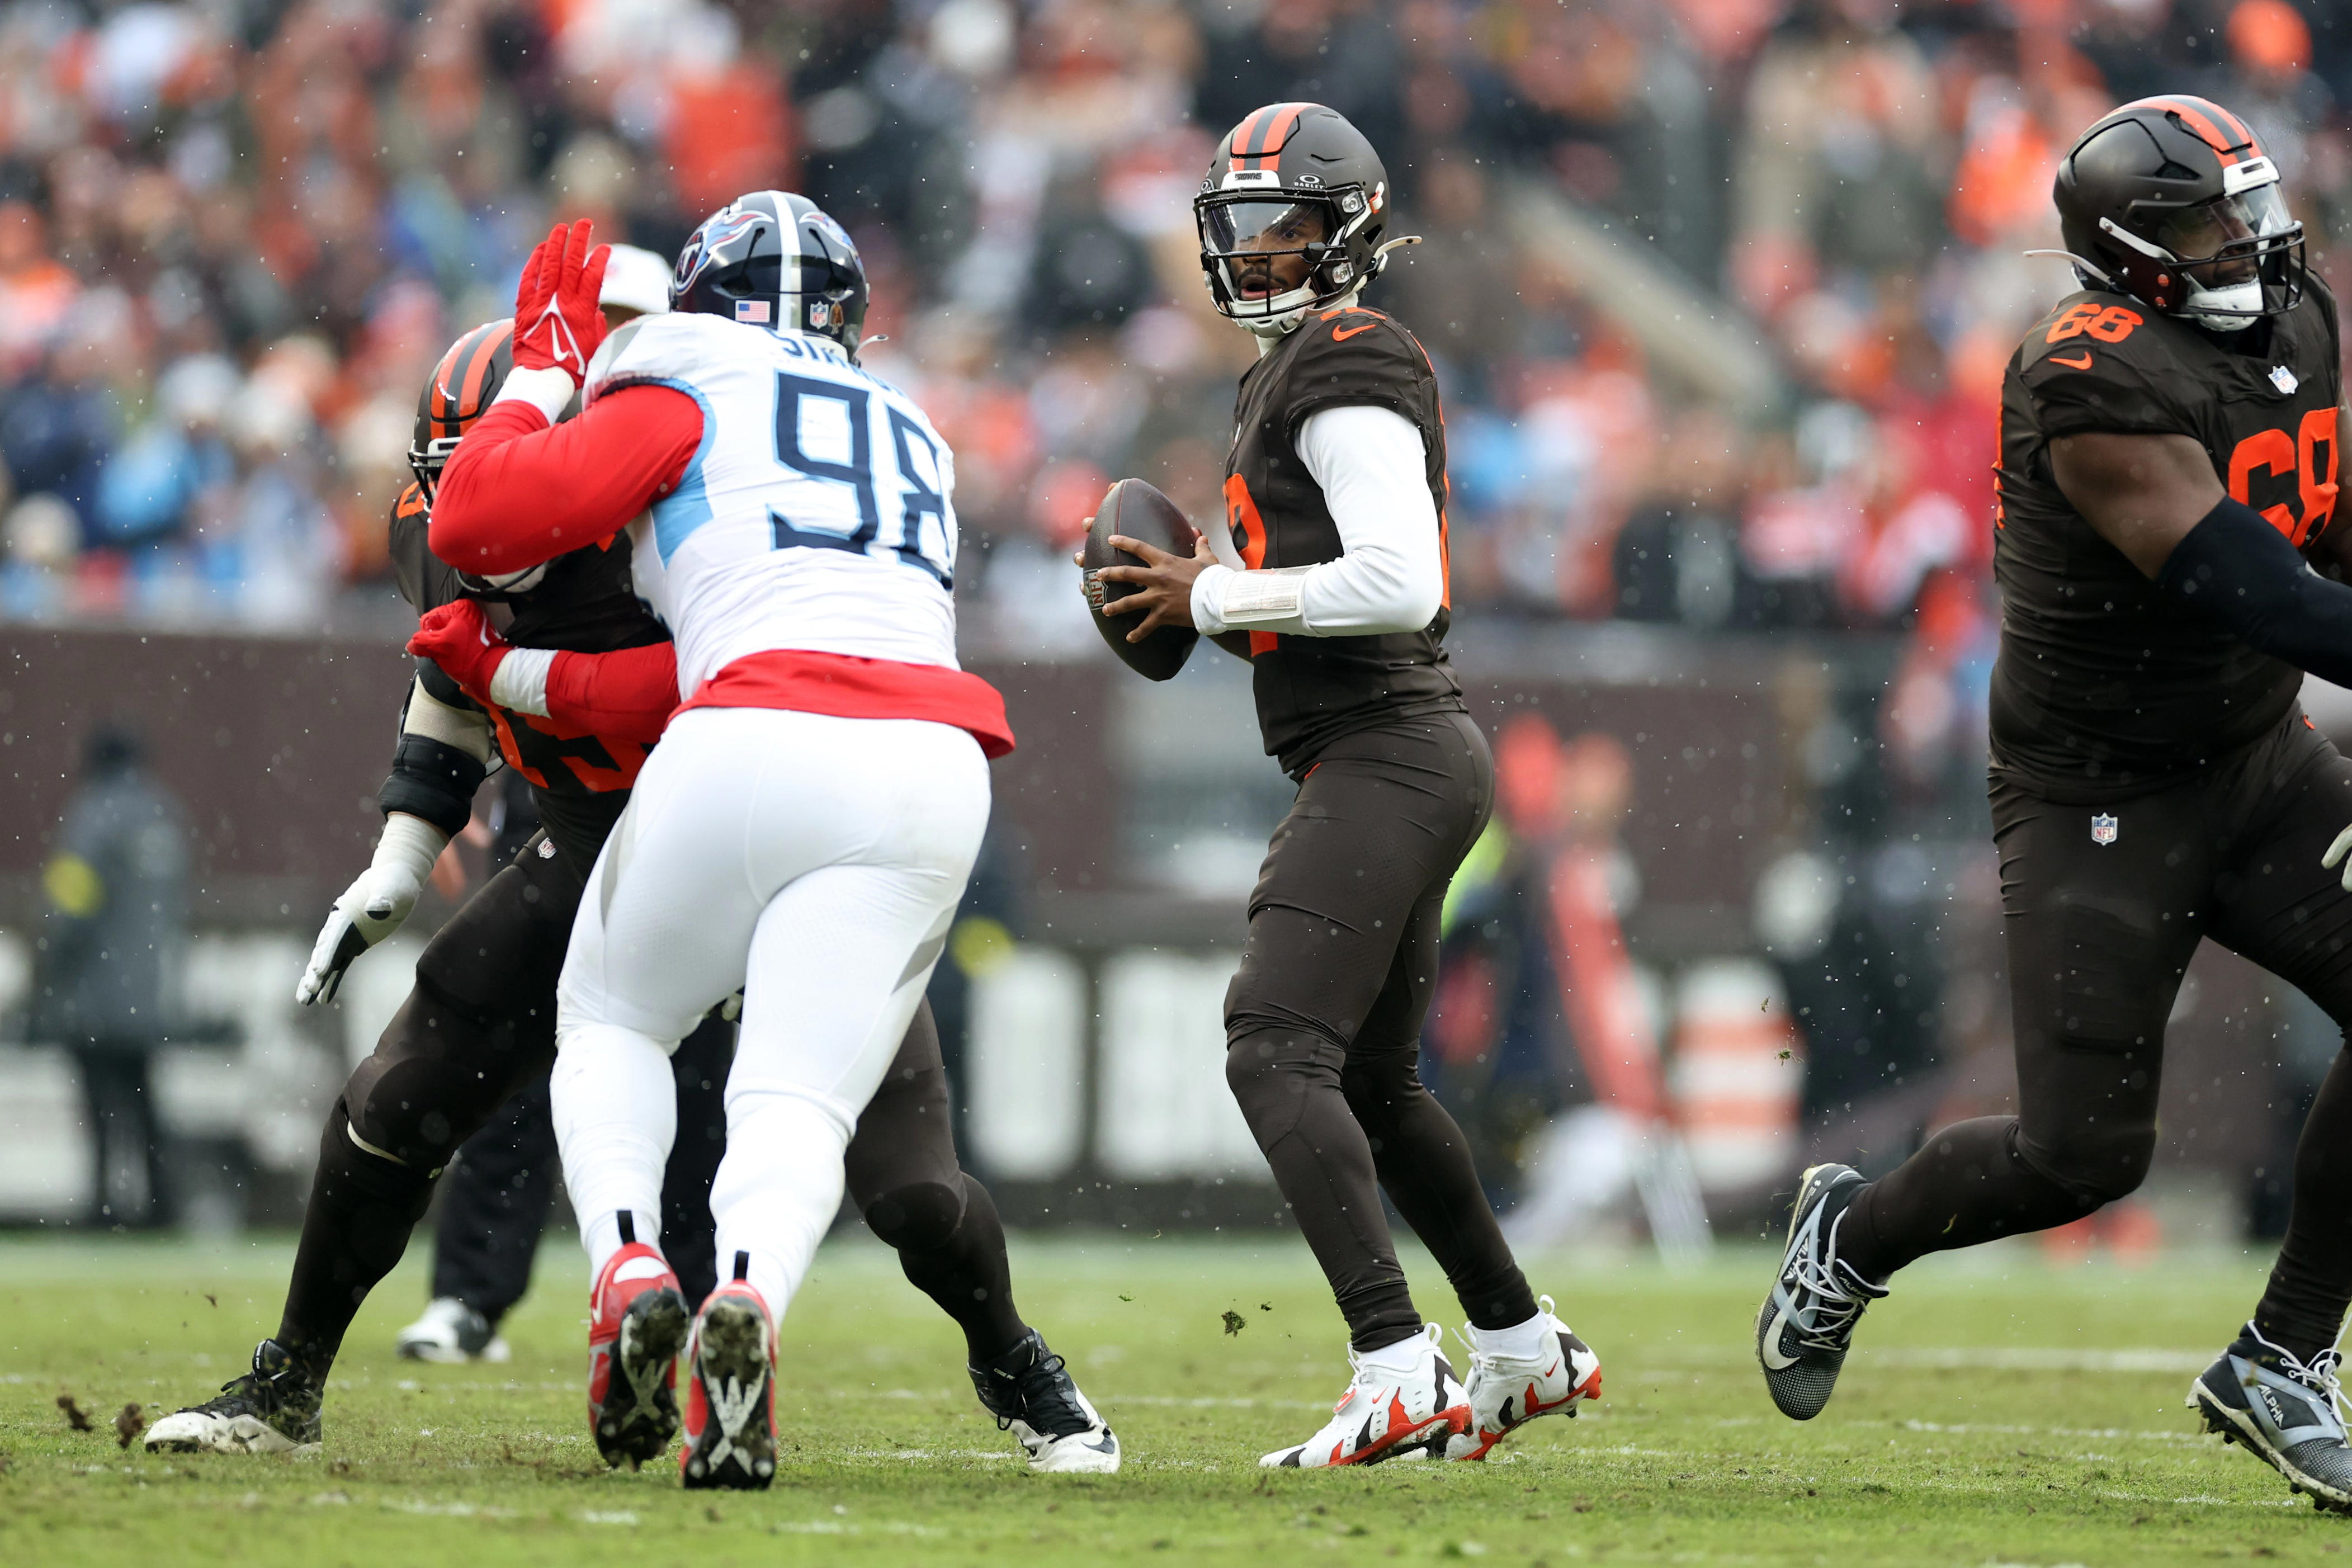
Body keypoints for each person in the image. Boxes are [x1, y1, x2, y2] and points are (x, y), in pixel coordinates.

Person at [152, 261, 1111, 1477]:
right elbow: (446, 669)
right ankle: (287, 1379)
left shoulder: (665, 512)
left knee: (912, 1187)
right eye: (450, 470)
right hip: (603, 846)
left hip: (746, 832)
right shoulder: (457, 521)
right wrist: (400, 855)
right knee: (397, 1100)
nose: (468, 501)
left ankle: (1016, 1363)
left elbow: (632, 681)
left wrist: (516, 678)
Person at [422, 197, 1104, 1491]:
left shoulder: (680, 379)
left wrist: (544, 367)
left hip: (754, 730)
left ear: (699, 300)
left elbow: (474, 520)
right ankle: (748, 1301)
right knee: (795, 1094)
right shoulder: (910, 427)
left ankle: (630, 1269)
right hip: (930, 767)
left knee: (614, 1018)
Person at [1751, 95, 2352, 1511]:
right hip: (2101, 796)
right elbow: (2239, 581)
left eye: (2251, 206)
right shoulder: (2081, 377)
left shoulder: (2295, 320)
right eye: (2210, 219)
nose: (2248, 240)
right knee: (2075, 1154)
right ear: (2129, 253)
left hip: (2256, 762)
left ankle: (2280, 1352)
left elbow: (2315, 512)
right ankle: (1850, 1232)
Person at [1091, 102, 1600, 1468]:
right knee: (1371, 1079)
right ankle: (1515, 1344)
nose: (1257, 256)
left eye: (1286, 229)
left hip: (1389, 746)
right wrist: (1225, 596)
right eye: (1240, 230)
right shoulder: (1295, 366)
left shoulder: (1349, 351)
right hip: (1387, 748)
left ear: (1351, 235)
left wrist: (1211, 593)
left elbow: (1396, 579)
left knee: (1272, 1042)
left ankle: (1392, 1360)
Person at [31, 722, 190, 1229]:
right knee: (145, 1103)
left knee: (100, 1108)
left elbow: (68, 908)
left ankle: (103, 1207)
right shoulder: (165, 814)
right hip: (150, 994)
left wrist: (47, 968)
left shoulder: (93, 815)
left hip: (95, 994)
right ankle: (160, 1206)